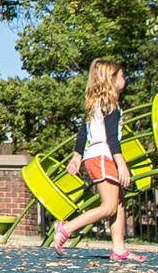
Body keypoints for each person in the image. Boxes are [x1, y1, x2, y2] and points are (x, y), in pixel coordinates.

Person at [52, 58, 144, 262]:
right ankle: (66, 228)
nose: (124, 79)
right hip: (103, 157)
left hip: (95, 156)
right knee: (109, 206)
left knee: (119, 203)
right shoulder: (110, 105)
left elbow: (82, 133)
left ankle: (119, 249)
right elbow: (112, 138)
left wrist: (77, 156)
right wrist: (122, 164)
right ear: (111, 80)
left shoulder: (95, 104)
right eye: (121, 75)